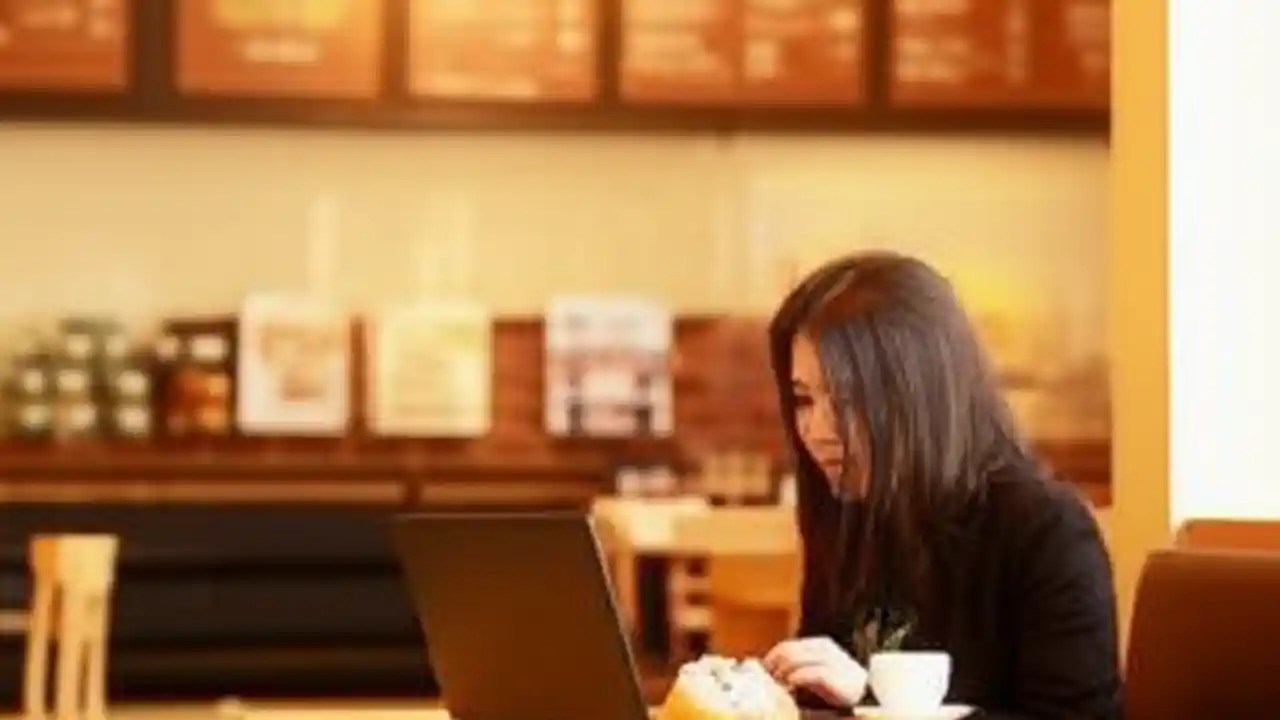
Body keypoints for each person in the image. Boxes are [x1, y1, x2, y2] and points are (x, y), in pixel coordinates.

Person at [758, 252, 1120, 719]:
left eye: (848, 399)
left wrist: (877, 704)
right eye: (803, 399)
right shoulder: (851, 516)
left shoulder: (1045, 529)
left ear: (920, 396)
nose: (818, 429)